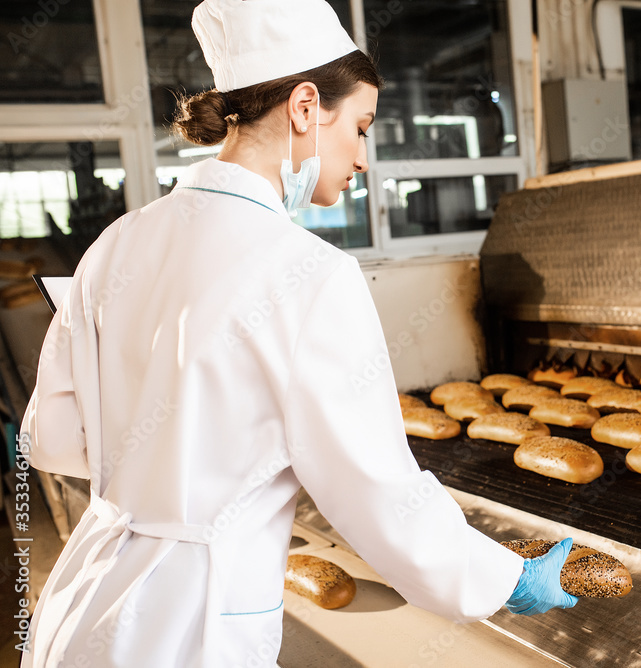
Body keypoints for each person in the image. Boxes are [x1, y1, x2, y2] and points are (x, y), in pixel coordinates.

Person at [18, 1, 577, 665]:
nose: (364, 157)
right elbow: (379, 498)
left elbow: (47, 439)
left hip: (79, 611)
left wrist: (167, 471)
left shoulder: (116, 243)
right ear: (306, 107)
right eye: (362, 126)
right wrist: (504, 578)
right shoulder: (309, 273)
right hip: (192, 631)